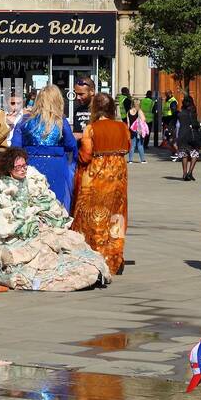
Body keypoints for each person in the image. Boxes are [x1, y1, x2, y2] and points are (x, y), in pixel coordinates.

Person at [0, 148, 110, 291]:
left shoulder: (31, 180)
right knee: (44, 258)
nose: (23, 170)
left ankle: (91, 270)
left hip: (39, 225)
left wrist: (41, 216)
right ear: (9, 168)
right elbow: (2, 213)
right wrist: (28, 220)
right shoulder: (2, 186)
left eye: (24, 165)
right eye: (18, 167)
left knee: (71, 244)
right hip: (19, 234)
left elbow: (46, 203)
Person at [71, 93, 131, 274]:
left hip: (96, 177)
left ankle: (95, 257)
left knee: (93, 217)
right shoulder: (123, 127)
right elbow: (127, 148)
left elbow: (86, 155)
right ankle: (115, 257)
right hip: (118, 176)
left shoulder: (91, 128)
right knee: (116, 215)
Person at [11, 84, 78, 211]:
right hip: (56, 165)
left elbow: (15, 148)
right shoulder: (60, 121)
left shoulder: (25, 121)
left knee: (33, 202)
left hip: (31, 166)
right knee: (56, 203)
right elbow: (71, 145)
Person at [127, 99, 149, 163]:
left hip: (131, 130)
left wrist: (128, 131)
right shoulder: (139, 111)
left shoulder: (129, 112)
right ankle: (143, 160)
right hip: (138, 130)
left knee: (132, 145)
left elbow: (128, 123)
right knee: (140, 145)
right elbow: (143, 120)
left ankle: (130, 160)